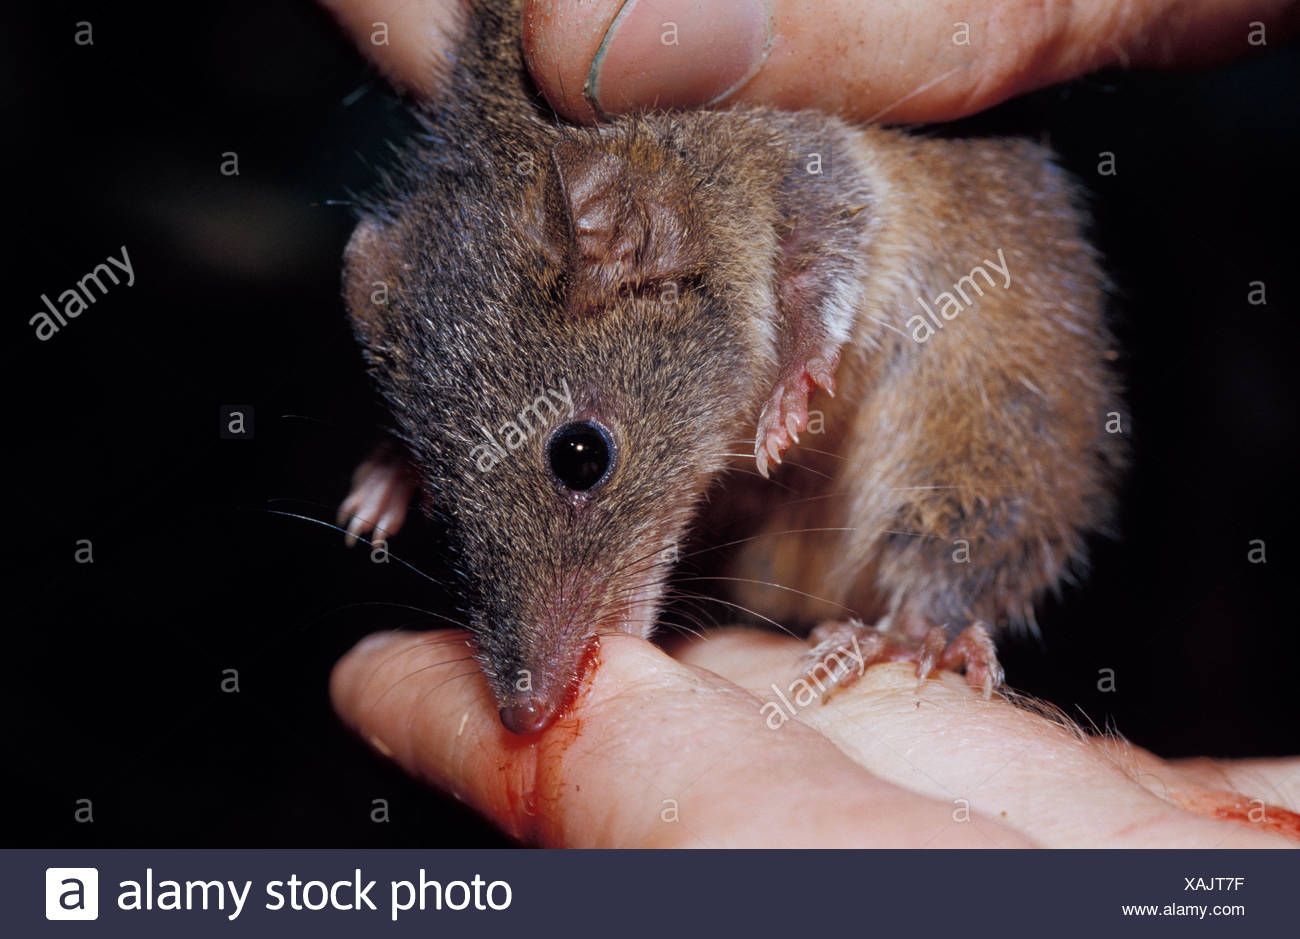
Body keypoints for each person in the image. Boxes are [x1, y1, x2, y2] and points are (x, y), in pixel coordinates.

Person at [322, 0, 1300, 847]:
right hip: (771, 532)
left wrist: (805, 347)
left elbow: (823, 182)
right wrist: (427, 450)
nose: (524, 689)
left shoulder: (671, 175)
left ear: (634, 245)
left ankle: (938, 609)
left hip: (931, 386)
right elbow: (448, 319)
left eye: (583, 456)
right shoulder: (503, 263)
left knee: (993, 321)